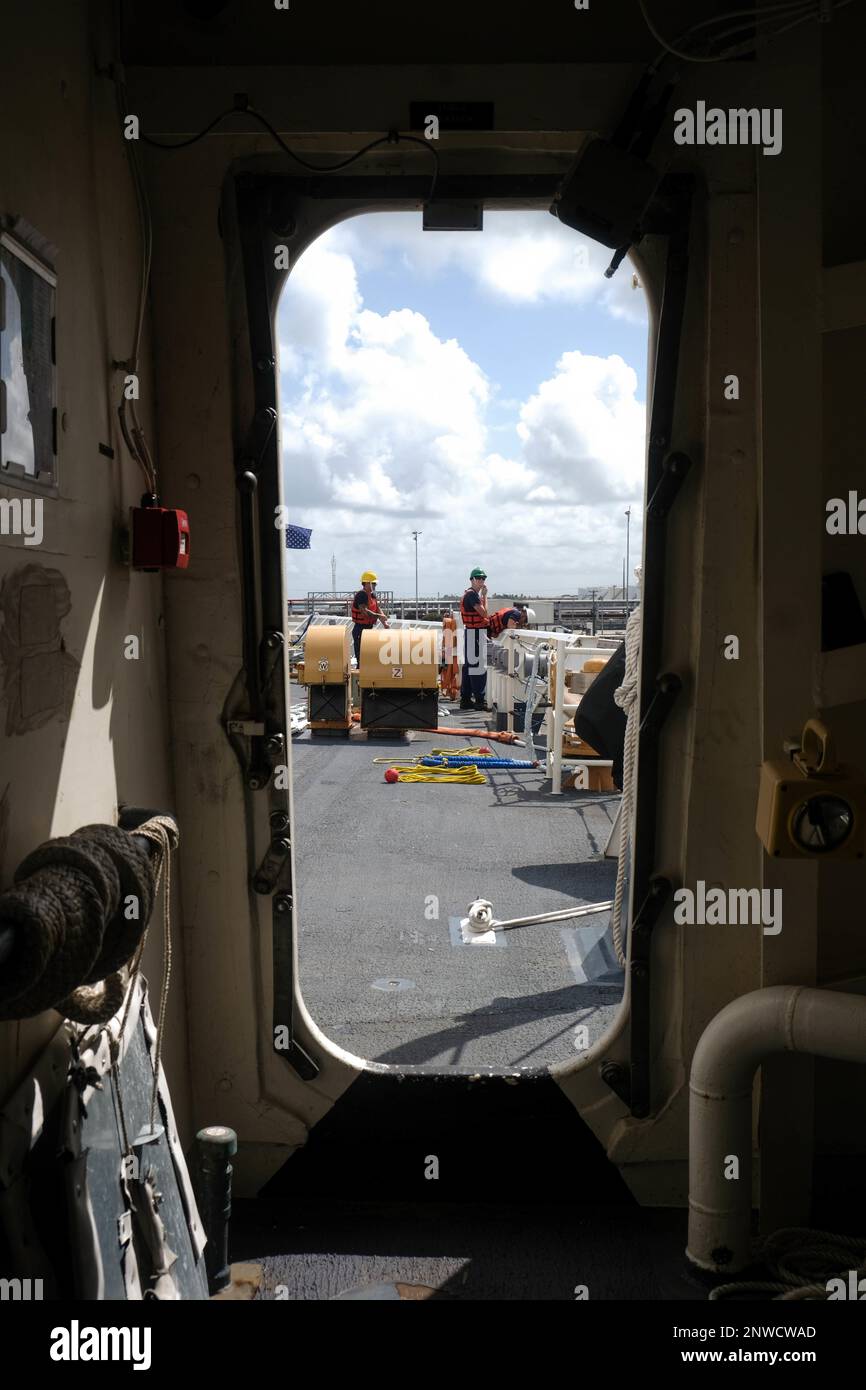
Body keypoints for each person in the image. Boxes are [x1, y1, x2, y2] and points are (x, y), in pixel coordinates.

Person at [459, 567, 490, 710]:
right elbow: (484, 613)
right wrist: (485, 596)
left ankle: (465, 699)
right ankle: (479, 700)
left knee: (469, 666)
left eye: (483, 578)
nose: (481, 581)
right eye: (478, 578)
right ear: (472, 580)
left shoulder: (469, 594)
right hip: (475, 633)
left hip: (471, 632)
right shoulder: (473, 595)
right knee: (477, 667)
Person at [351, 570, 389, 664]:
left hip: (368, 629)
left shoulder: (372, 595)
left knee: (368, 655)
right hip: (360, 629)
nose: (375, 585)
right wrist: (379, 616)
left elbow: (377, 608)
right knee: (361, 657)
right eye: (374, 583)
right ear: (367, 583)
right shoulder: (362, 595)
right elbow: (364, 612)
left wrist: (384, 622)